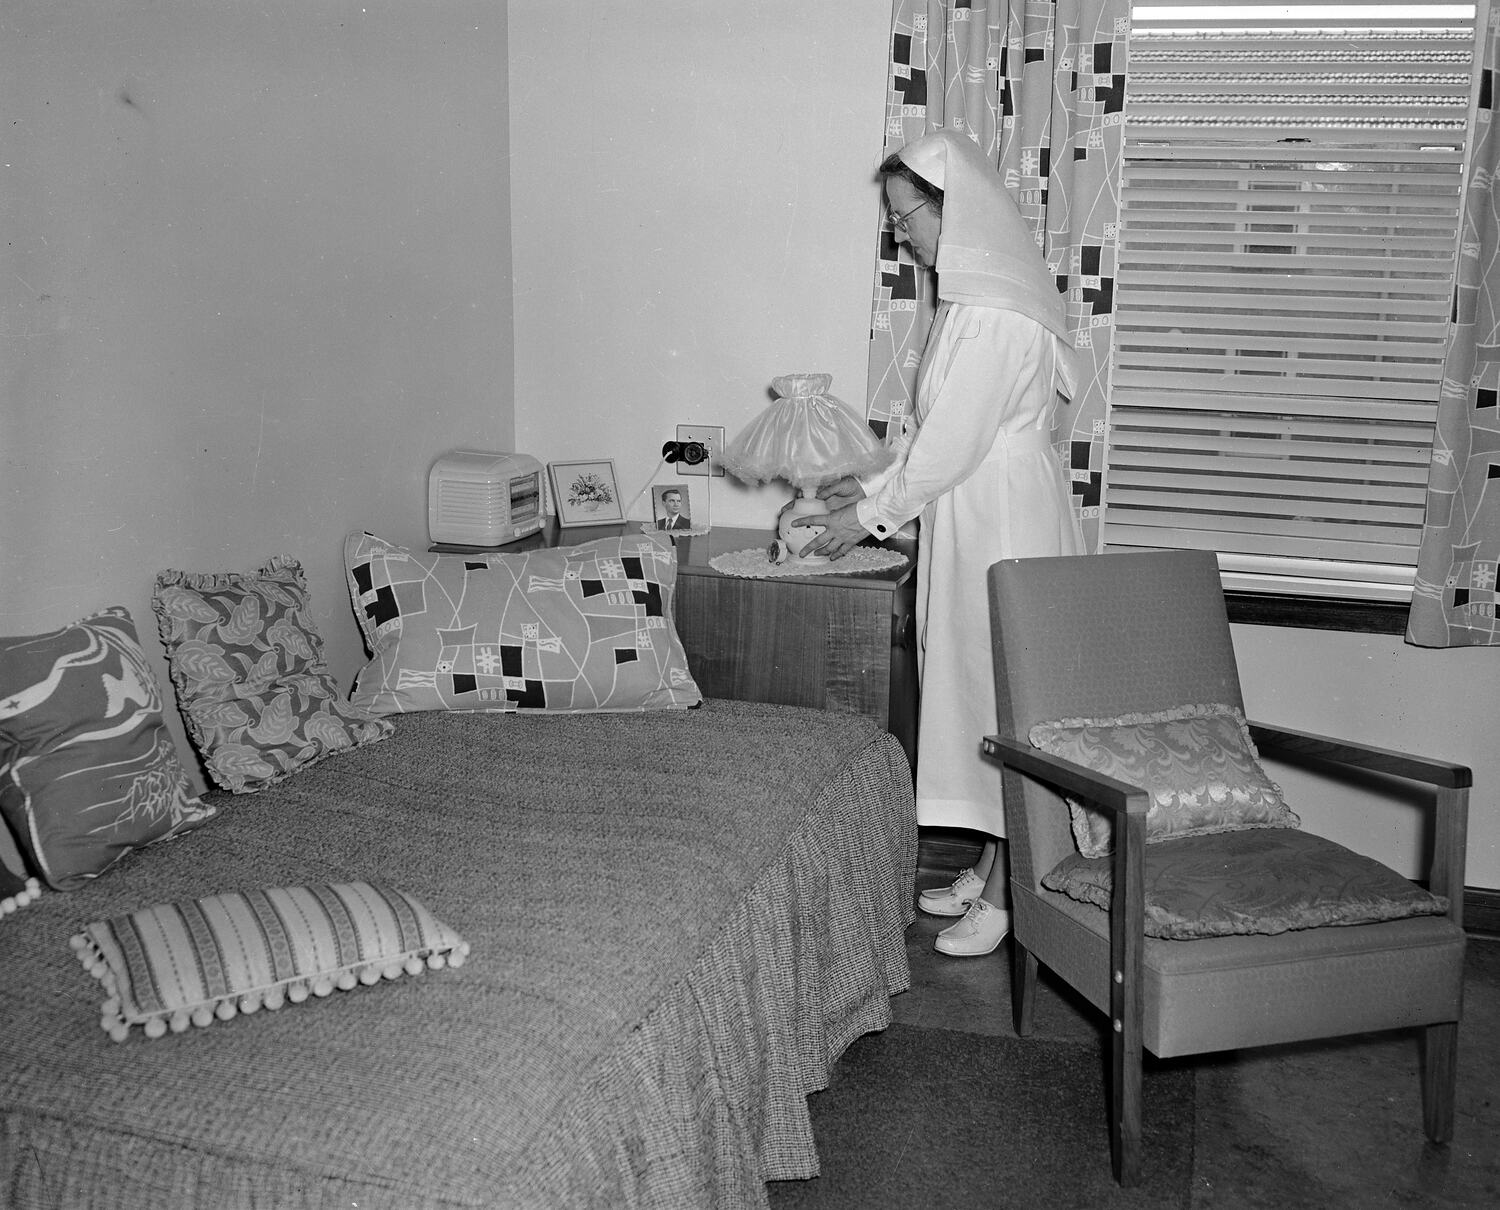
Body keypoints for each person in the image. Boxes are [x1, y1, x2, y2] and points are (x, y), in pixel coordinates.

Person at [793, 129, 1084, 957]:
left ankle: (1013, 888)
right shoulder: (966, 300)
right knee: (984, 691)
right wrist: (872, 485)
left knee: (1005, 697)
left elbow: (953, 447)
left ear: (950, 210)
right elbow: (933, 433)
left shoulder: (993, 314)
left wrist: (864, 521)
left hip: (1003, 516)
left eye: (906, 216)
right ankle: (998, 859)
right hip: (976, 506)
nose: (901, 235)